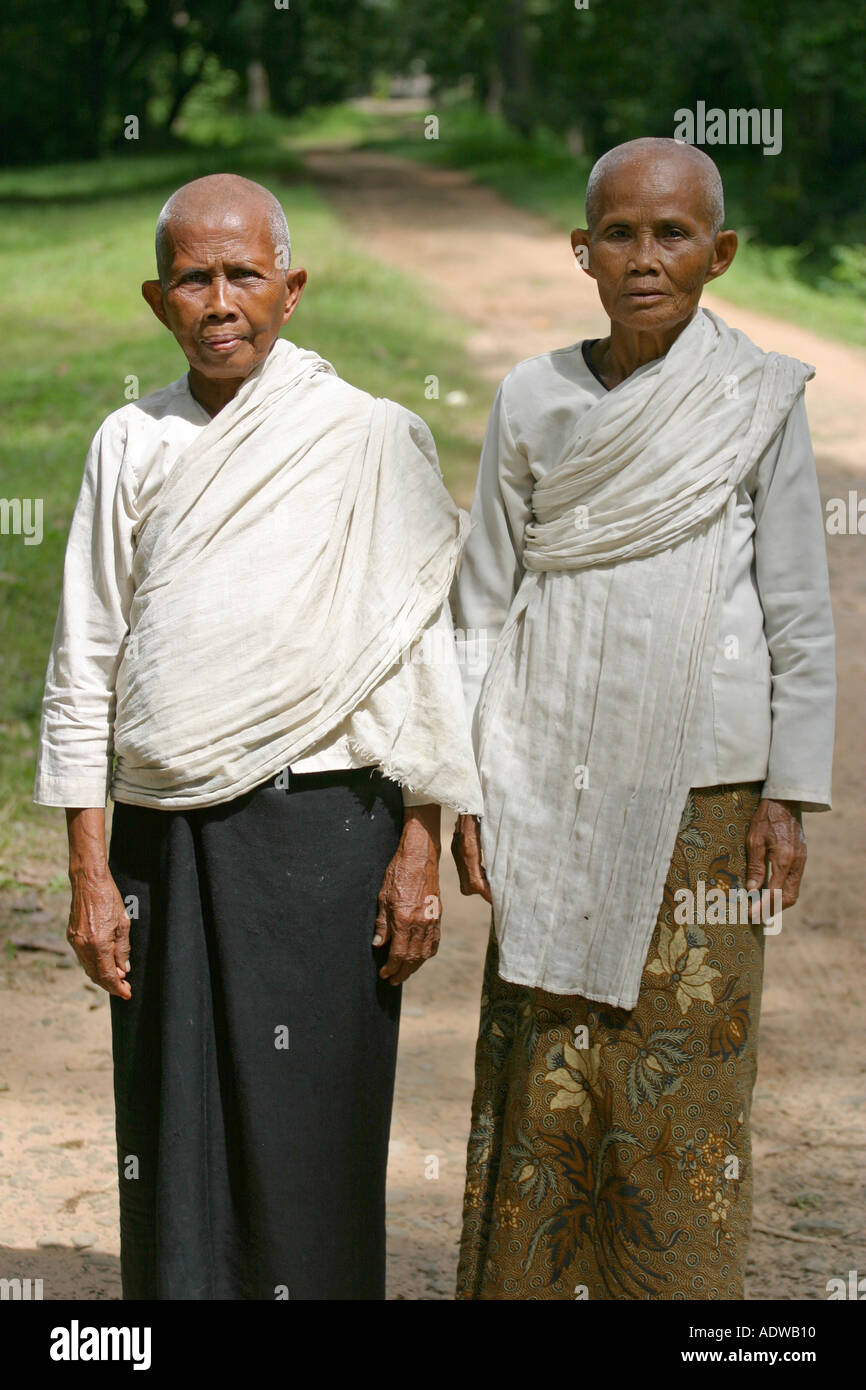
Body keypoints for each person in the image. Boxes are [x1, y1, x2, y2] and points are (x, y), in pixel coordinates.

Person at [34, 173, 482, 1301]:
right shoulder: (129, 443)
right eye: (194, 277)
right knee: (174, 1128)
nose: (219, 299)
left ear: (292, 289)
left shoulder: (371, 438)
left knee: (311, 1133)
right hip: (160, 832)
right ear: (157, 298)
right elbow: (85, 659)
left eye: (243, 274)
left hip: (328, 829)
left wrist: (417, 845)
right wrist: (89, 867)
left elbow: (418, 654)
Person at [450, 138, 835, 1300]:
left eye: (672, 235)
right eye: (617, 233)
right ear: (581, 251)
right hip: (544, 777)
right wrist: (459, 787)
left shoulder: (754, 397)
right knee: (548, 1063)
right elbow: (478, 600)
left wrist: (787, 793)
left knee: (683, 1085)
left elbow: (797, 608)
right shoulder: (534, 396)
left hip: (704, 792)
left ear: (717, 253)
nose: (643, 257)